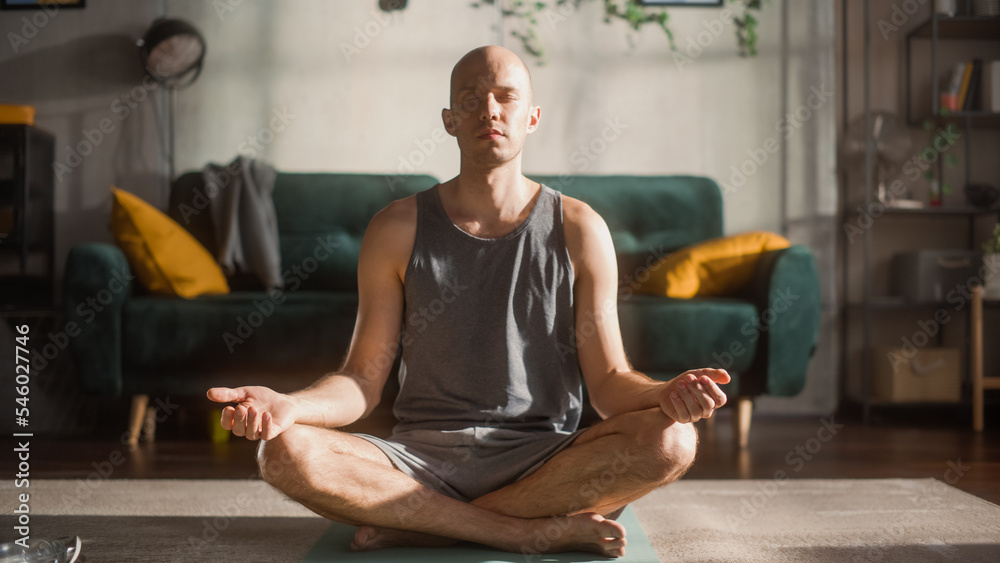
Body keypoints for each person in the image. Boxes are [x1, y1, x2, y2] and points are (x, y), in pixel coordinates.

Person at [207, 45, 729, 558]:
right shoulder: (396, 227)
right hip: (418, 458)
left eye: (506, 96)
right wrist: (289, 407)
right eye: (472, 98)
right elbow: (362, 382)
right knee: (282, 451)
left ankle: (424, 523)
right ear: (450, 118)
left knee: (673, 442)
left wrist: (666, 393)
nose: (490, 110)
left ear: (532, 116)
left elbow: (611, 386)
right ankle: (515, 530)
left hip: (544, 458)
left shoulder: (579, 228)